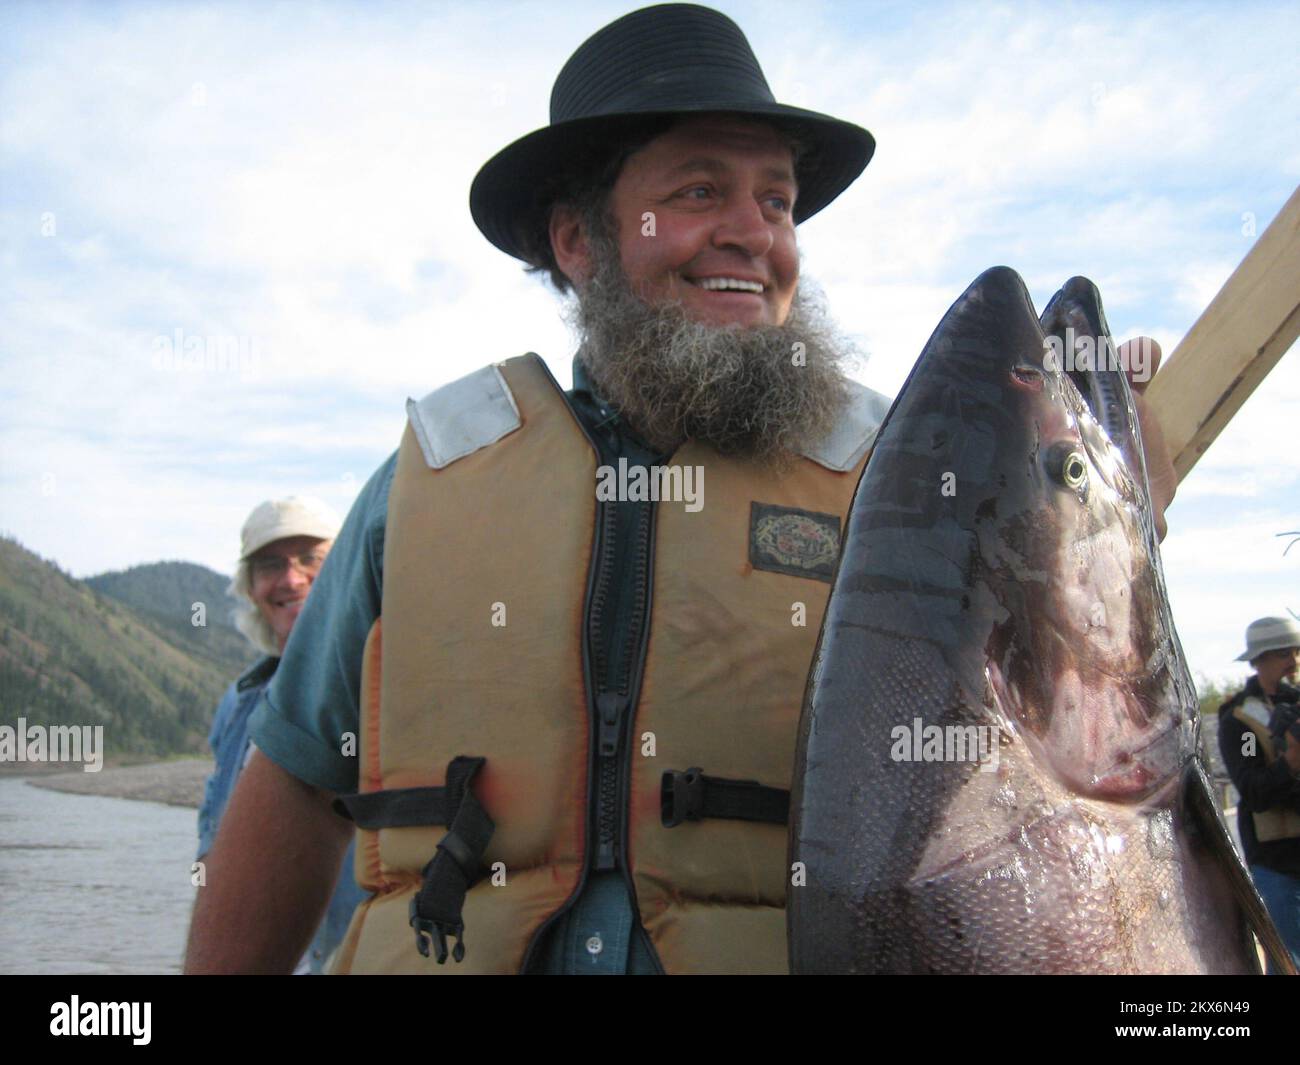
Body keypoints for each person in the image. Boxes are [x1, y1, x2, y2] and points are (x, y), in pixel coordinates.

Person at [184, 3, 1175, 975]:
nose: (755, 233)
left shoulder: (903, 488)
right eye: (700, 193)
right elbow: (299, 783)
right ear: (578, 241)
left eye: (777, 202)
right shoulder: (424, 486)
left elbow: (1064, 727)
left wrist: (1129, 514)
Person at [194, 495, 366, 974]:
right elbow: (213, 847)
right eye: (271, 564)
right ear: (250, 587)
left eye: (311, 558)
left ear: (347, 569)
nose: (291, 579)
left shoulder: (384, 688)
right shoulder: (239, 702)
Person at [1217, 616, 1300, 973]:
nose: (1293, 661)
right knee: (1289, 963)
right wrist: (1291, 762)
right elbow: (1254, 788)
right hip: (1278, 864)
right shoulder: (1242, 723)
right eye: (1283, 653)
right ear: (1259, 660)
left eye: (1296, 651)